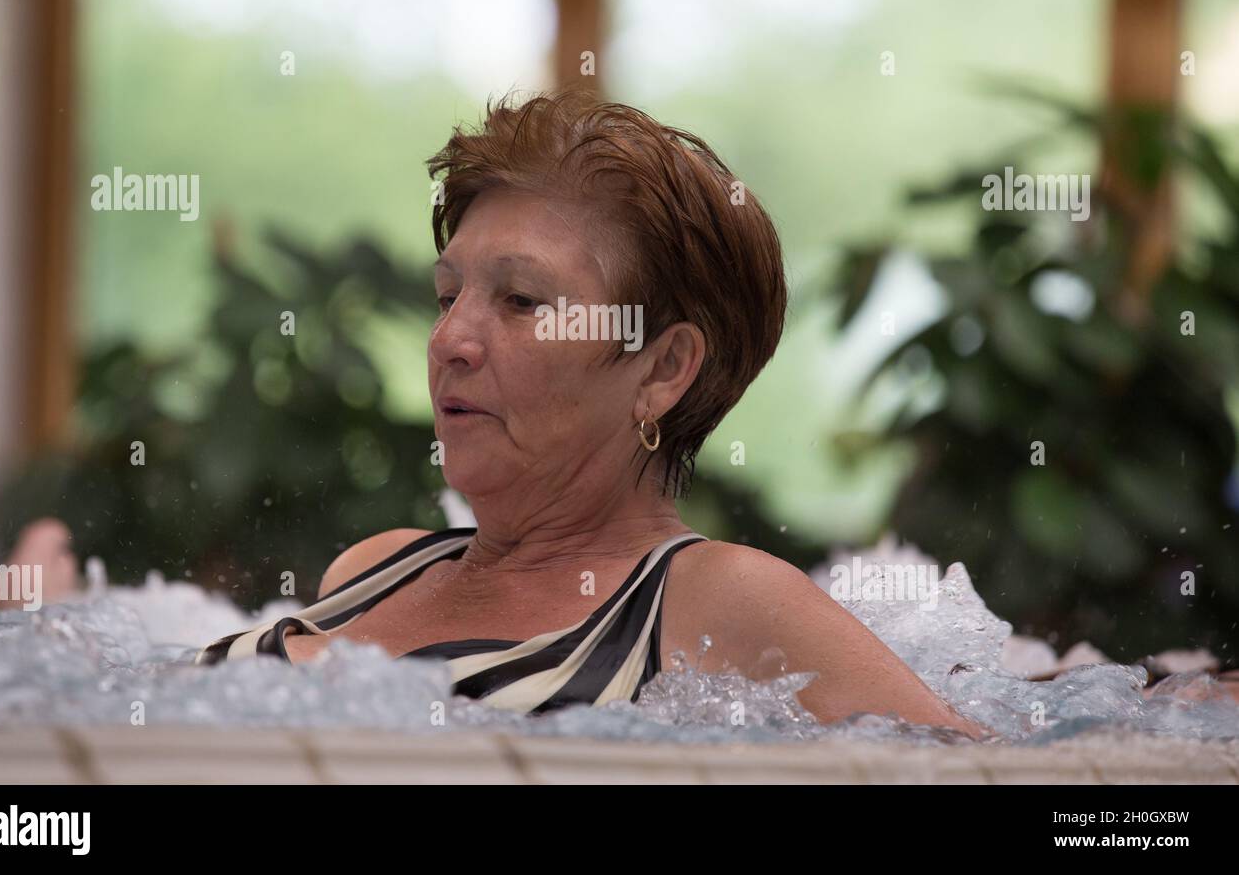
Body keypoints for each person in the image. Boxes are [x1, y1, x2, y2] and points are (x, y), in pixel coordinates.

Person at [193, 88, 986, 734]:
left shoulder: (720, 601)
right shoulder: (373, 567)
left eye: (521, 300)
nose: (450, 339)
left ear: (663, 369)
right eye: (448, 294)